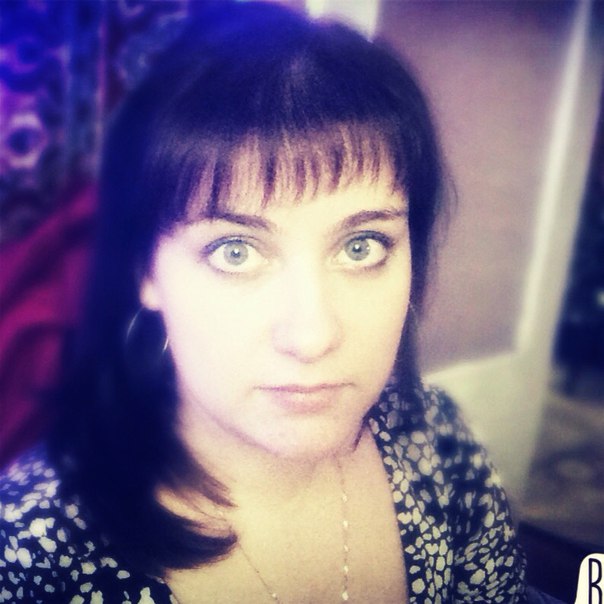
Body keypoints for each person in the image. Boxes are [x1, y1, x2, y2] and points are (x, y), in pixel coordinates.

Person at [0, 2, 528, 602]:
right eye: (235, 251)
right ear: (145, 269)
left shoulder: (437, 439)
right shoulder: (33, 554)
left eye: (361, 246)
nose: (312, 336)